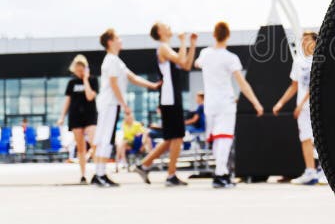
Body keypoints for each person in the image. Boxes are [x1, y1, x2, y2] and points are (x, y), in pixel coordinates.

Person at [195, 21, 264, 189]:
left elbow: (197, 63)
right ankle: (220, 175)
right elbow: (242, 84)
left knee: (217, 140)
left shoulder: (205, 53)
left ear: (214, 34)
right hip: (226, 102)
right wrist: (256, 103)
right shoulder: (231, 58)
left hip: (210, 103)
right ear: (228, 36)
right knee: (224, 139)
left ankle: (222, 172)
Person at [93, 28, 161, 187]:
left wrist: (152, 85)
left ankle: (100, 174)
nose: (120, 40)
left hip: (112, 104)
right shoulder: (110, 60)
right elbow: (114, 83)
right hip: (109, 103)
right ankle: (99, 174)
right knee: (104, 139)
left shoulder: (116, 61)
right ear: (110, 42)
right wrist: (124, 105)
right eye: (117, 38)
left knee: (106, 139)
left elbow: (132, 77)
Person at [135, 23, 197, 186]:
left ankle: (144, 165)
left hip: (172, 97)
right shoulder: (163, 47)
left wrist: (192, 45)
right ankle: (171, 175)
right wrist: (183, 41)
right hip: (169, 98)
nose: (170, 27)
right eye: (165, 26)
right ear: (160, 32)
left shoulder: (167, 49)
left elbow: (186, 65)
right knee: (177, 136)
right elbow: (180, 59)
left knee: (171, 137)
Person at [272, 31, 322, 185]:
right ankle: (310, 171)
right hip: (302, 109)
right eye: (302, 39)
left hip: (315, 106)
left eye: (307, 39)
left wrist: (301, 104)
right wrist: (280, 103)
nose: (303, 42)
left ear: (315, 42)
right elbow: (294, 86)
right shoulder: (298, 62)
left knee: (320, 139)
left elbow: (314, 85)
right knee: (305, 138)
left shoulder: (319, 60)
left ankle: (325, 171)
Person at [56, 55, 98, 184]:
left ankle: (99, 172)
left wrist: (85, 79)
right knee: (80, 147)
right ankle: (83, 174)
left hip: (90, 115)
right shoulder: (71, 83)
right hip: (75, 116)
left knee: (94, 143)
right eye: (77, 69)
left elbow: (90, 96)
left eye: (82, 69)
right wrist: (62, 116)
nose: (79, 72)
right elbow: (67, 100)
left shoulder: (92, 80)